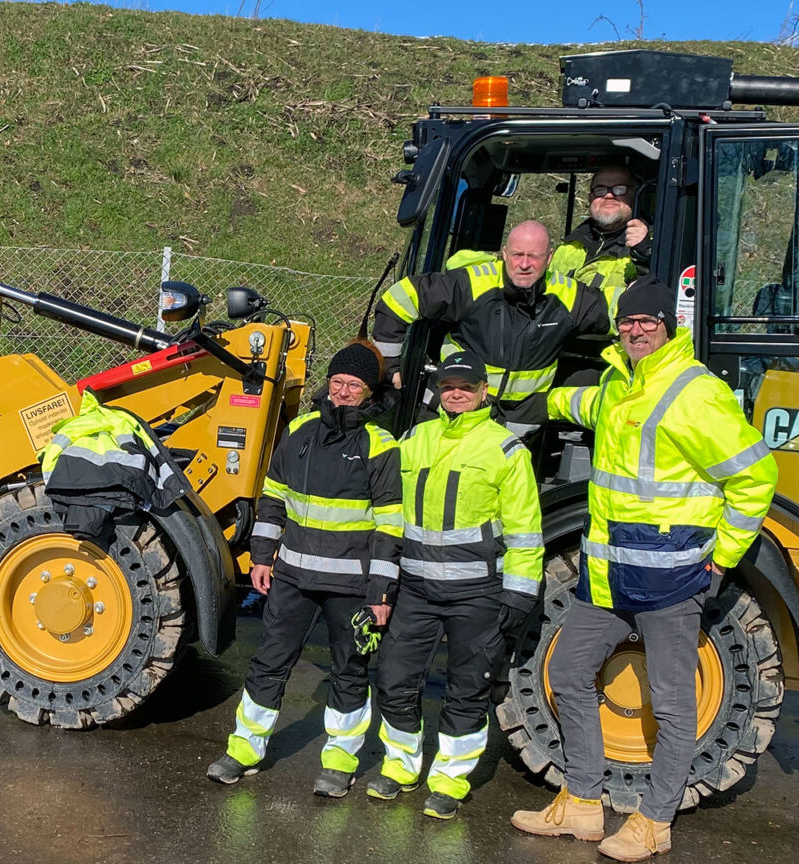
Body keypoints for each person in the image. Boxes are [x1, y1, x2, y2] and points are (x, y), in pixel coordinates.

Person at [510, 278, 778, 861]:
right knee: (568, 674)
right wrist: (504, 395)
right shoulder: (614, 383)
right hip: (606, 581)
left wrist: (721, 561)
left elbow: (756, 477)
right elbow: (569, 403)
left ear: (666, 325)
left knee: (674, 702)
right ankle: (582, 802)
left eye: (646, 322)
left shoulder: (694, 392)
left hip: (670, 582)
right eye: (627, 322)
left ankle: (654, 821)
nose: (635, 329)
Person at [206, 341, 403, 798]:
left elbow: (391, 527)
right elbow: (273, 497)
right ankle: (245, 749)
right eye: (337, 382)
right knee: (269, 662)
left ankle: (339, 761)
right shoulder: (300, 431)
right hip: (292, 576)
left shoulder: (380, 445)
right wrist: (260, 557)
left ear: (369, 393)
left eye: (354, 385)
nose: (343, 391)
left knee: (350, 669)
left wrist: (379, 595)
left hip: (350, 587)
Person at [365, 350, 543, 820]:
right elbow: (387, 510)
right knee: (394, 680)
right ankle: (401, 767)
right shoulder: (415, 439)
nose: (457, 394)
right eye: (449, 387)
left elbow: (525, 532)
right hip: (416, 590)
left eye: (466, 386)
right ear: (439, 391)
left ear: (484, 391)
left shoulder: (506, 450)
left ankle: (449, 780)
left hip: (478, 595)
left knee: (467, 690)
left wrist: (519, 594)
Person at [373, 220, 610, 437]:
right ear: (504, 254)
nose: (524, 264)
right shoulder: (473, 283)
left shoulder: (569, 296)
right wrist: (391, 367)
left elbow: (626, 309)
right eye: (517, 255)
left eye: (533, 256)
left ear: (549, 258)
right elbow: (400, 298)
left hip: (515, 432)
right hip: (449, 417)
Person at [548, 165, 652, 323]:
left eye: (619, 189)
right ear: (590, 198)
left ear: (635, 196)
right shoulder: (567, 247)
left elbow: (651, 302)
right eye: (600, 190)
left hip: (615, 343)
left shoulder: (655, 245)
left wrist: (645, 256)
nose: (609, 196)